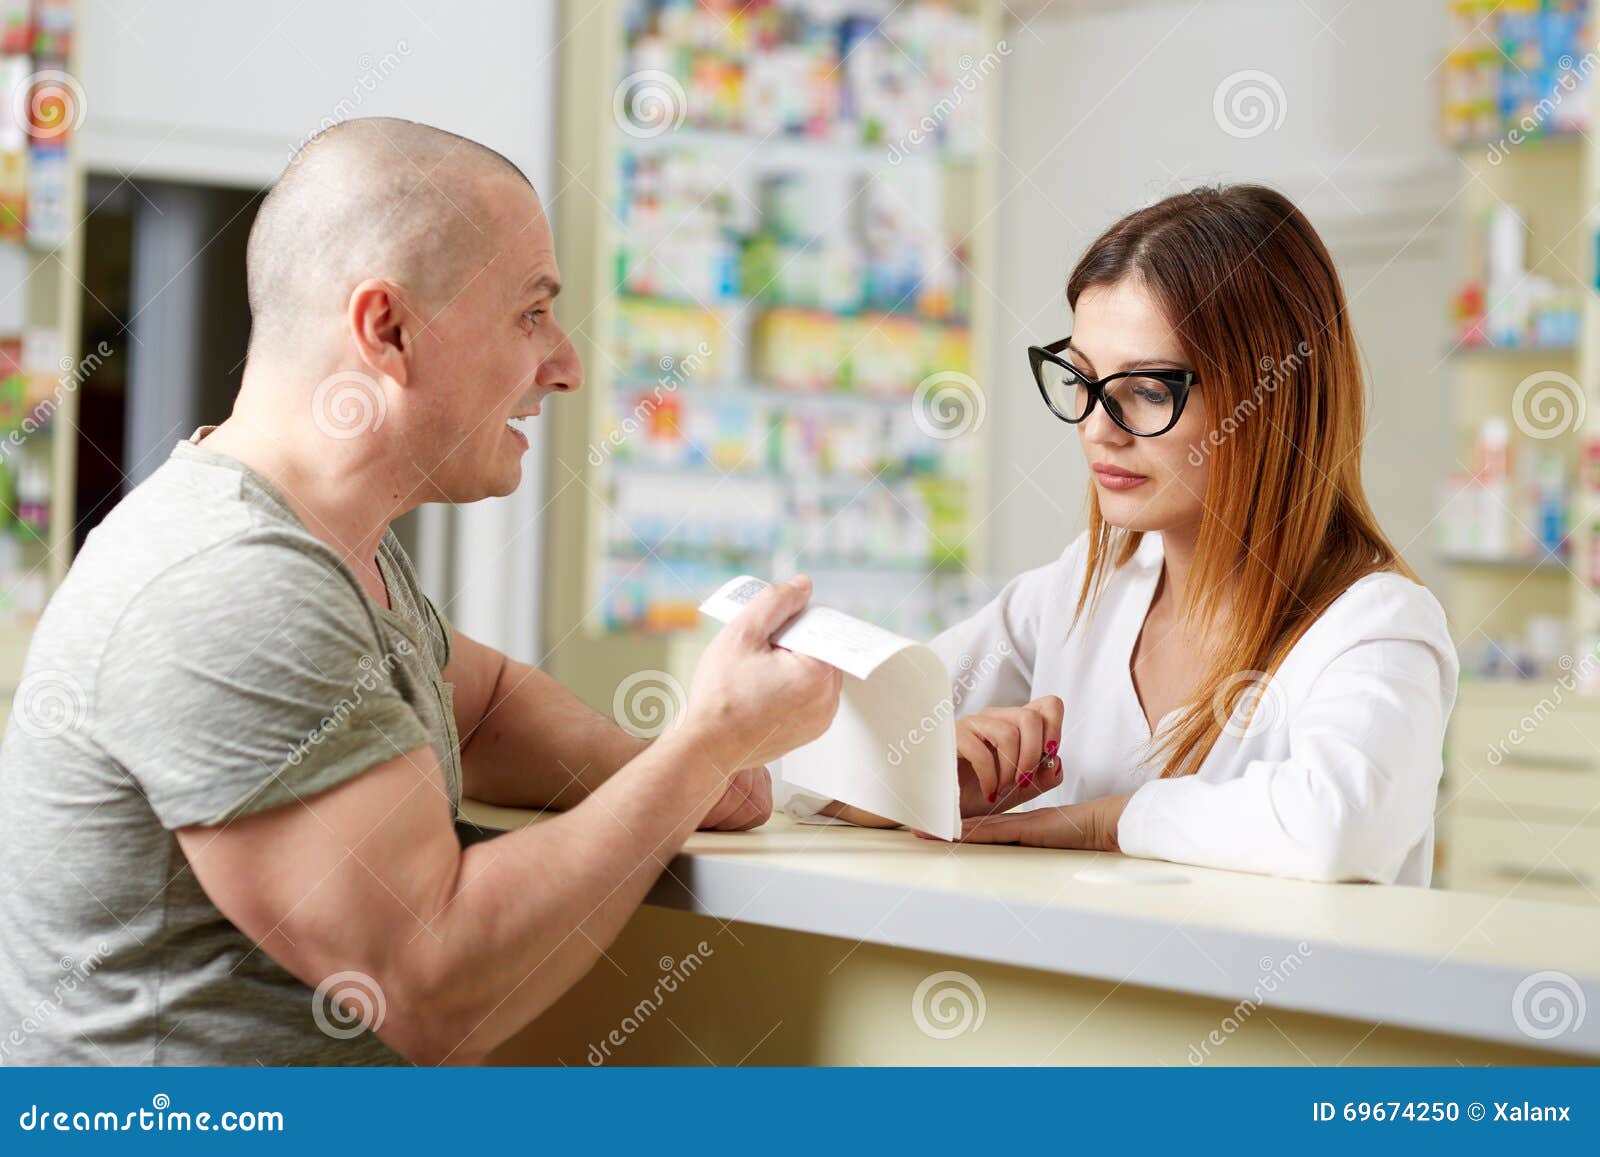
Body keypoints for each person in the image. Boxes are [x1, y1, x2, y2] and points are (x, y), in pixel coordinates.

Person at [0, 117, 841, 1066]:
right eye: (531, 313)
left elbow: (478, 707)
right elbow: (429, 979)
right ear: (388, 330)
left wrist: (671, 770)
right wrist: (701, 749)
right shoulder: (234, 586)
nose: (563, 365)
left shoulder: (331, 544)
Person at [795, 185, 1457, 886]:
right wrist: (915, 773)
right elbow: (809, 753)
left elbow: (1338, 831)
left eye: (1147, 391)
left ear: (1269, 403)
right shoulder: (1082, 587)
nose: (1096, 428)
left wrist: (1106, 822)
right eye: (1082, 379)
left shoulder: (1375, 627)